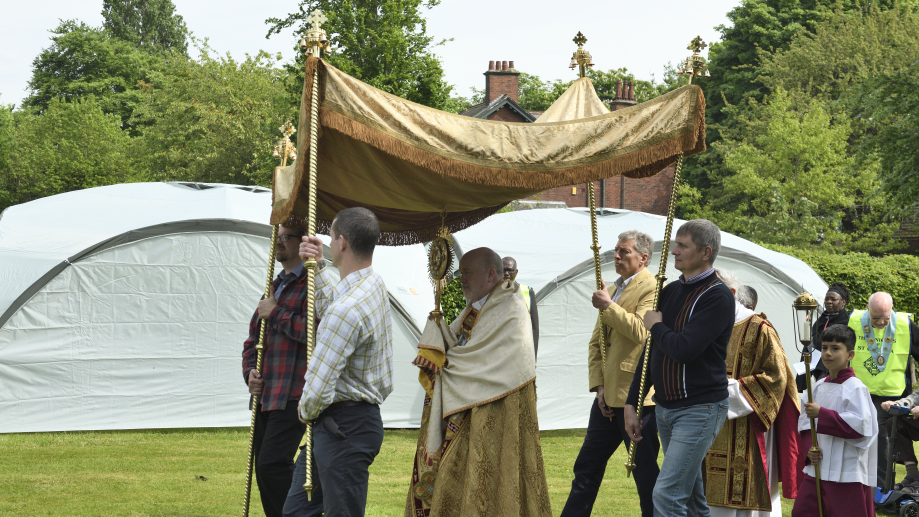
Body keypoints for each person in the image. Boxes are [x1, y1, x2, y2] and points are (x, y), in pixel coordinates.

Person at [405, 247, 551, 517]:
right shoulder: (476, 307)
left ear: (491, 274)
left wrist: (447, 365)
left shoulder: (510, 307)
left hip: (497, 413)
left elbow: (485, 361)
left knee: (492, 479)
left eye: (467, 273)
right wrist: (438, 335)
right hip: (467, 408)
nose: (462, 279)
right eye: (460, 273)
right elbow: (462, 346)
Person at [284, 207, 394, 517]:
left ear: (342, 242)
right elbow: (338, 305)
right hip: (349, 424)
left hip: (343, 427)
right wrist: (318, 266)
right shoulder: (373, 284)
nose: (329, 242)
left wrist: (305, 410)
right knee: (297, 511)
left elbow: (317, 391)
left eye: (330, 236)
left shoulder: (346, 310)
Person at [624, 219, 735, 517]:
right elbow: (652, 351)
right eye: (675, 244)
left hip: (700, 408)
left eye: (683, 246)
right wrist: (632, 403)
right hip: (665, 408)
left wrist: (656, 325)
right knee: (693, 502)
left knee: (667, 495)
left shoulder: (717, 296)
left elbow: (684, 349)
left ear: (705, 252)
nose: (674, 251)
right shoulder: (671, 291)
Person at [561, 230, 660, 517]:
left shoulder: (653, 287)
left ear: (643, 258)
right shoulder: (615, 288)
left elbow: (643, 332)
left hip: (639, 397)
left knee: (645, 476)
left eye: (624, 251)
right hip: (607, 398)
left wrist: (608, 305)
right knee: (586, 468)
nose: (616, 256)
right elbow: (597, 343)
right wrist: (600, 387)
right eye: (616, 250)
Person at [705, 270, 800, 517]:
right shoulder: (701, 325)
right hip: (703, 423)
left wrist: (723, 392)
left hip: (746, 426)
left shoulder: (759, 328)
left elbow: (777, 378)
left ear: (732, 294)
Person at [241, 224, 310, 517]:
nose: (279, 242)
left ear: (301, 241)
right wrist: (249, 375)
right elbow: (251, 342)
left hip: (292, 393)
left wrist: (277, 313)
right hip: (266, 395)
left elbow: (314, 334)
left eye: (286, 237)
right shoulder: (274, 286)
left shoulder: (312, 285)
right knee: (263, 470)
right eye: (277, 237)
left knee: (271, 465)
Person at [792, 325, 878, 517]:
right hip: (817, 467)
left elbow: (861, 427)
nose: (828, 353)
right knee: (802, 512)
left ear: (850, 354)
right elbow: (805, 424)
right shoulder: (818, 386)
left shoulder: (856, 388)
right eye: (824, 347)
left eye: (835, 348)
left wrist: (822, 414)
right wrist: (809, 450)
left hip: (845, 472)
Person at [848, 291, 919, 487]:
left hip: (894, 395)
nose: (880, 322)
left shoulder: (906, 326)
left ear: (892, 311)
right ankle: (856, 482)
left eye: (885, 317)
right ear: (867, 310)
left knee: (882, 440)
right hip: (859, 393)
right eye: (875, 317)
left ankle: (882, 488)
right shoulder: (852, 320)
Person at [795, 283, 851, 392]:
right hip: (819, 373)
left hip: (839, 374)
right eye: (826, 299)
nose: (829, 302)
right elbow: (809, 346)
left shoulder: (848, 321)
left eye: (833, 299)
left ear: (843, 302)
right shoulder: (821, 320)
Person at [503, 256, 539, 358]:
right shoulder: (489, 293)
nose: (506, 273)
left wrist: (533, 357)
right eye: (503, 270)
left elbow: (534, 328)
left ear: (516, 272)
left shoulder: (527, 292)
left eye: (510, 270)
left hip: (520, 352)